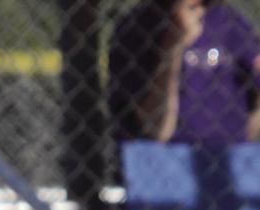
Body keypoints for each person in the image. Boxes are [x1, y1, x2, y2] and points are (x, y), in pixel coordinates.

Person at [108, 0, 260, 146]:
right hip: (159, 161)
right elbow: (157, 130)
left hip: (227, 159)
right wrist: (172, 46)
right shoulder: (136, 26)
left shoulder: (232, 22)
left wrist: (242, 143)